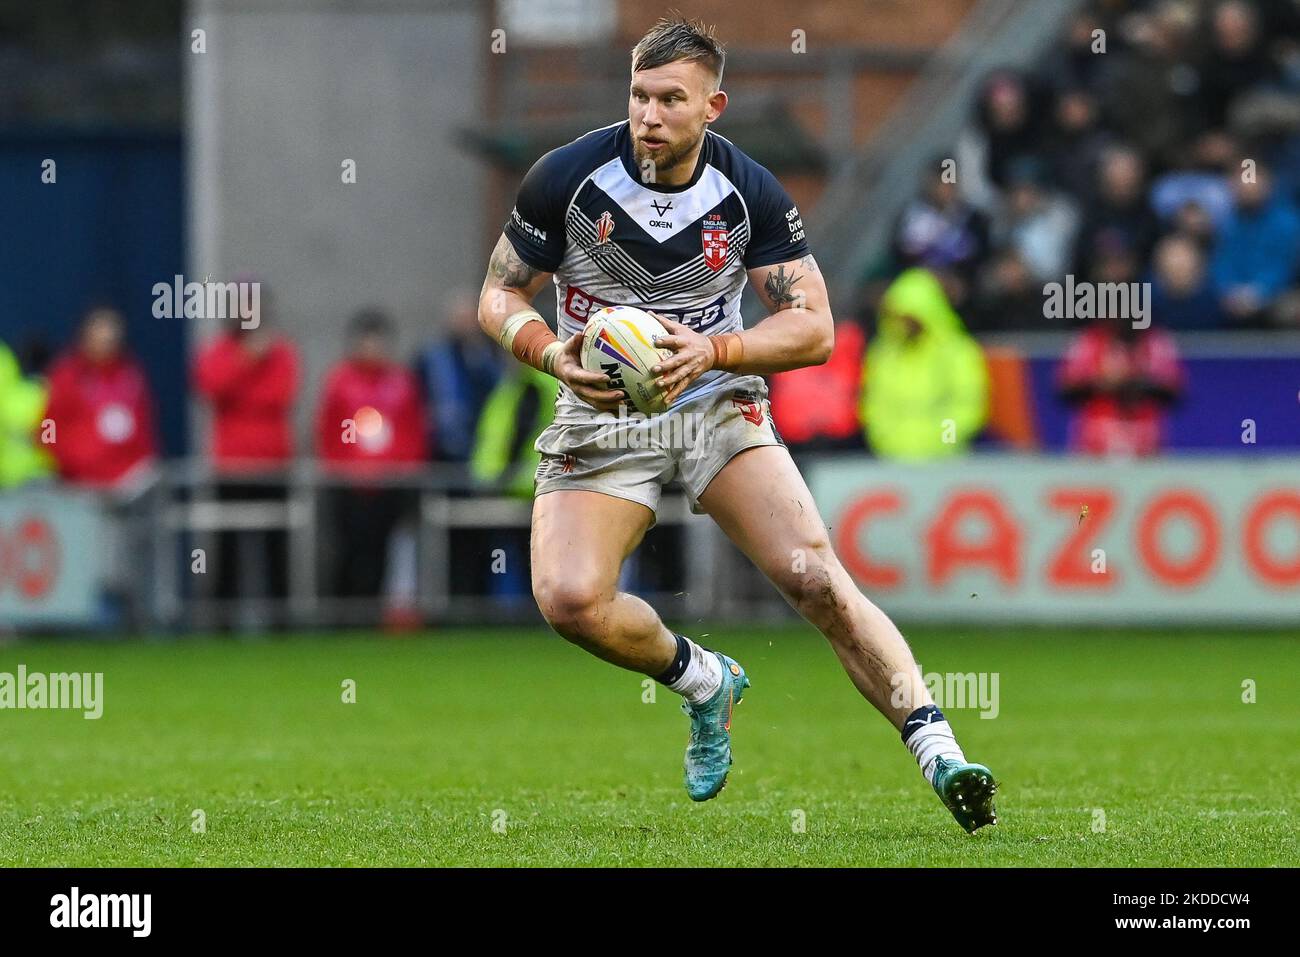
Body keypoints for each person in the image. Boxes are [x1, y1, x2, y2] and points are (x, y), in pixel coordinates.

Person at [476, 16, 998, 832]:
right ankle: (705, 680)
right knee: (570, 599)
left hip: (715, 401)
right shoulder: (566, 177)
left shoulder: (748, 190)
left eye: (671, 99)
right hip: (602, 408)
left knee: (815, 578)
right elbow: (499, 295)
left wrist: (716, 350)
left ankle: (941, 749)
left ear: (713, 106)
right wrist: (552, 354)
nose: (650, 114)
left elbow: (815, 328)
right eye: (640, 95)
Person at [193, 301, 301, 626]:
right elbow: (212, 388)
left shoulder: (281, 352)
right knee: (227, 546)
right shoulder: (219, 351)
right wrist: (247, 360)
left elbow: (280, 395)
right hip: (231, 467)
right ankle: (221, 621)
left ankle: (281, 622)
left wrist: (246, 388)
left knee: (277, 546)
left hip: (273, 466)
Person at [316, 309, 427, 603]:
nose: (373, 348)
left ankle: (376, 614)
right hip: (348, 486)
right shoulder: (340, 381)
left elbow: (413, 430)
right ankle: (342, 613)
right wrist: (340, 469)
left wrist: (405, 471)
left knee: (383, 552)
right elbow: (329, 430)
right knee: (348, 551)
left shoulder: (401, 383)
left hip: (390, 486)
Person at [860, 268, 990, 460]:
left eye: (911, 317)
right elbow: (873, 405)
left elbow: (967, 404)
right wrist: (886, 442)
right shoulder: (882, 353)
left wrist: (944, 441)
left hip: (946, 460)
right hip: (891, 460)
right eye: (900, 317)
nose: (905, 324)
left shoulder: (958, 351)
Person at [44, 306, 157, 488]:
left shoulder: (131, 375)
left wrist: (145, 463)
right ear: (86, 338)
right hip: (81, 485)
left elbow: (145, 427)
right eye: (101, 338)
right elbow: (47, 426)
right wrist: (65, 462)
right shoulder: (67, 376)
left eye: (112, 338)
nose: (107, 343)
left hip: (128, 484)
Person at [1057, 314, 1185, 457]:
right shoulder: (1088, 340)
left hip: (1146, 439)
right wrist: (1103, 384)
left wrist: (1140, 385)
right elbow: (1066, 392)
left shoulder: (1156, 341)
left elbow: (1174, 393)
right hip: (1094, 439)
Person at [414, 288, 504, 464]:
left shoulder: (488, 354)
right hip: (439, 441)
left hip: (480, 436)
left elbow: (499, 390)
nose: (465, 323)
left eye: (469, 318)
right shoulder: (433, 356)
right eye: (460, 317)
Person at [0, 340, 54, 488]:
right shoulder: (50, 394)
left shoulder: (49, 395)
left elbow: (50, 437)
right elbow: (50, 438)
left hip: (17, 478)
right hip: (36, 476)